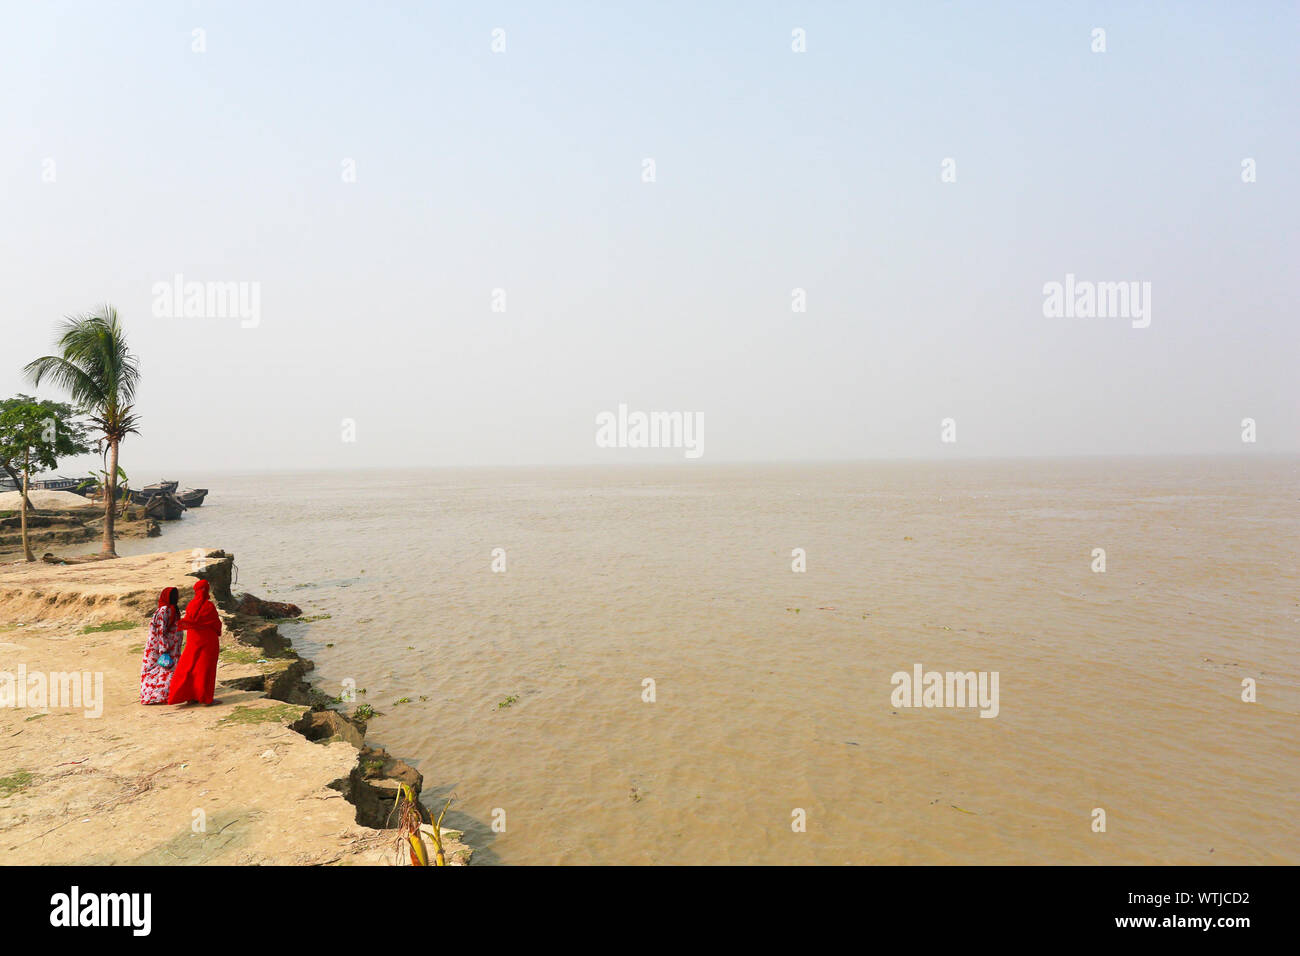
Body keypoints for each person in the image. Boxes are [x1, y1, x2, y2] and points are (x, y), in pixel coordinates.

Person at [167, 579, 223, 706]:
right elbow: (215, 624)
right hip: (208, 640)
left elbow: (188, 621)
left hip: (194, 640)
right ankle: (206, 698)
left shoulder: (191, 605)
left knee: (190, 666)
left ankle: (190, 696)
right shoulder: (209, 606)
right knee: (206, 668)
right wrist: (217, 631)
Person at [140, 587, 182, 705]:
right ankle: (152, 696)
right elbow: (160, 630)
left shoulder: (172, 609)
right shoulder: (164, 610)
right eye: (174, 595)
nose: (176, 597)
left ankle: (165, 695)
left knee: (167, 671)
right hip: (161, 648)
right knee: (155, 669)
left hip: (171, 647)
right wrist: (164, 649)